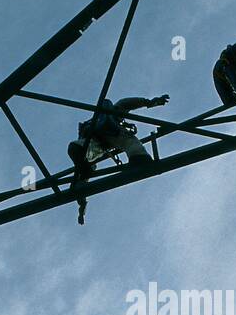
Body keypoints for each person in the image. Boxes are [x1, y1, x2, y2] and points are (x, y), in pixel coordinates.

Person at [66, 94, 168, 223]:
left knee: (129, 144)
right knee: (78, 151)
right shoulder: (99, 120)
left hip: (107, 136)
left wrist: (150, 102)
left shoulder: (107, 115)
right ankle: (139, 159)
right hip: (98, 141)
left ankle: (140, 159)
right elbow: (127, 103)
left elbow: (127, 103)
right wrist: (82, 209)